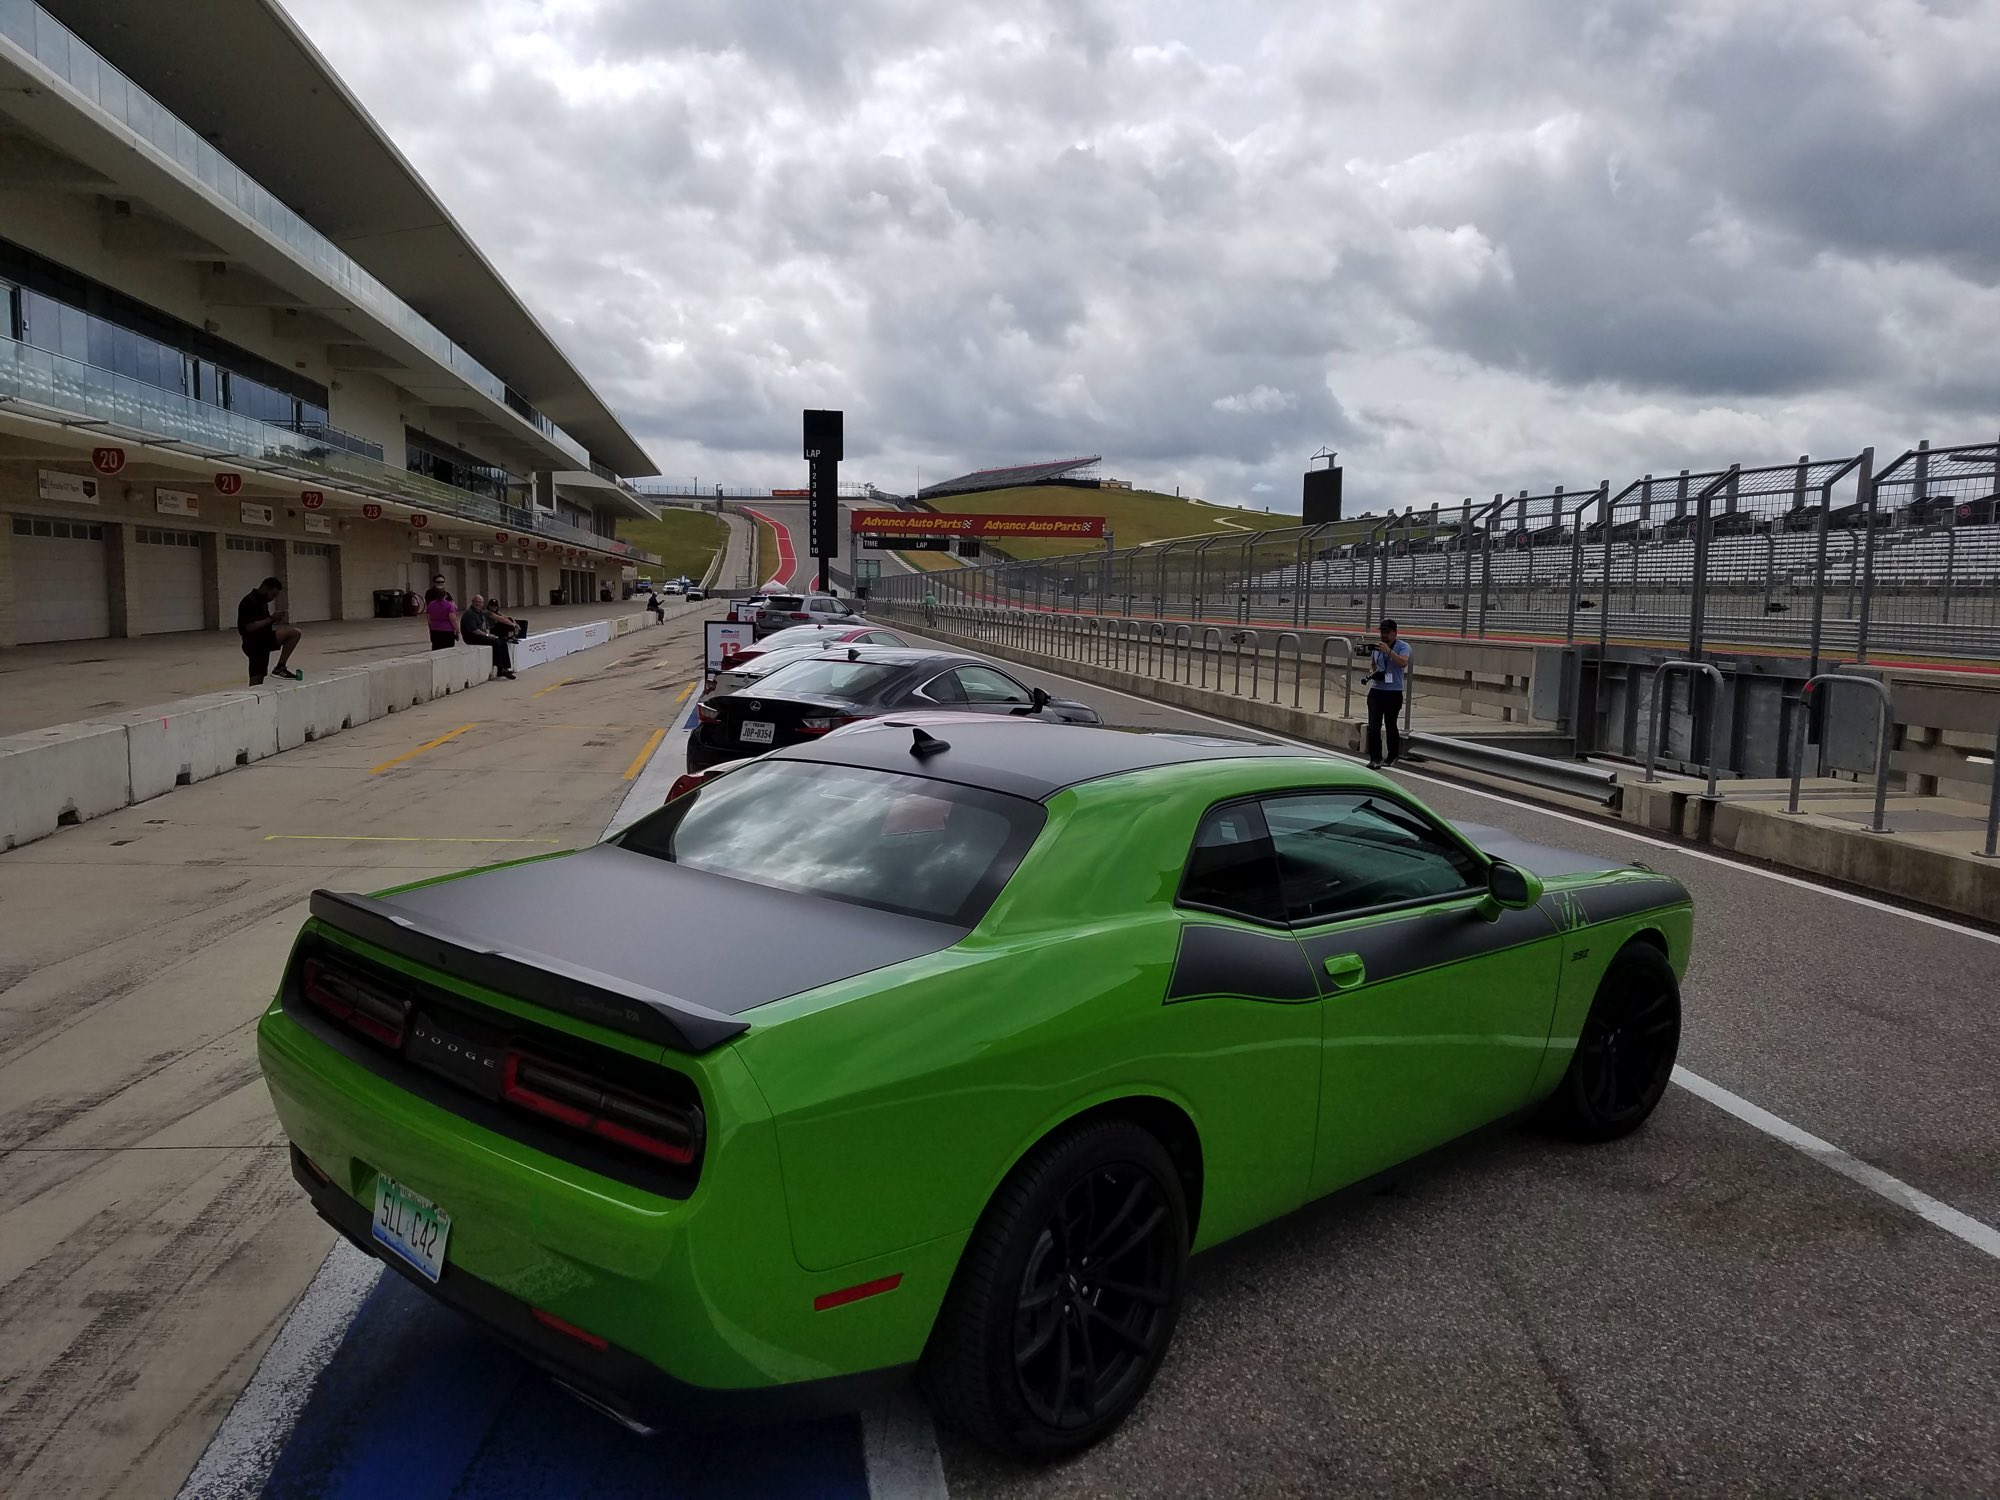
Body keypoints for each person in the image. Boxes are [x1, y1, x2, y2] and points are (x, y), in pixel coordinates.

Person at [1363, 618, 1411, 770]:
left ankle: (1392, 755)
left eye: (1387, 632)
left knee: (1391, 725)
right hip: (1377, 691)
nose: (1384, 635)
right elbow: (1373, 664)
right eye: (1382, 632)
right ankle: (1375, 758)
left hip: (1393, 692)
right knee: (1374, 726)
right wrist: (1371, 673)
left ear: (1395, 633)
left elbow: (1403, 663)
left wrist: (1389, 652)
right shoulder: (1377, 647)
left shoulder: (1403, 646)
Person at [237, 576, 302, 684]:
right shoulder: (249, 601)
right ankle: (278, 668)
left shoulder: (261, 601)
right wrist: (271, 618)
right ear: (265, 588)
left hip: (264, 639)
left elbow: (263, 621)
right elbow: (249, 627)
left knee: (260, 675)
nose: (273, 598)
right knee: (256, 677)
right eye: (273, 594)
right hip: (254, 643)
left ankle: (280, 666)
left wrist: (274, 620)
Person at [459, 594, 516, 679]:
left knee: (502, 642)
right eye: (476, 602)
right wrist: (487, 635)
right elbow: (474, 630)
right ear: (472, 602)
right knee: (495, 643)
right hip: (472, 637)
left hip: (481, 635)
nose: (478, 604)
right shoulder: (469, 614)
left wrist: (513, 623)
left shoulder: (481, 612)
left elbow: (495, 618)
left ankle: (505, 667)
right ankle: (500, 669)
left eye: (480, 602)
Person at [425, 584, 459, 650]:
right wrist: (457, 631)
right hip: (447, 632)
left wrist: (431, 630)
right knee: (448, 651)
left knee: (436, 650)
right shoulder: (449, 605)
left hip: (435, 631)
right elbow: (453, 620)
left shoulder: (430, 605)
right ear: (445, 595)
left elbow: (429, 620)